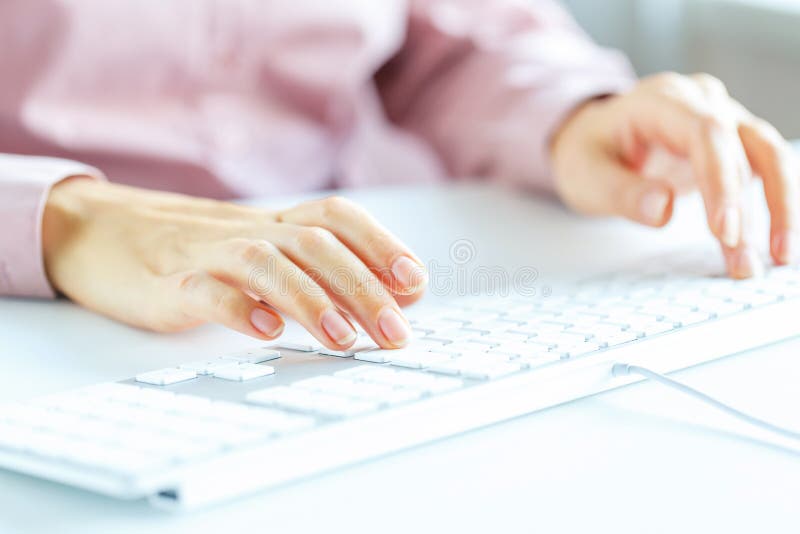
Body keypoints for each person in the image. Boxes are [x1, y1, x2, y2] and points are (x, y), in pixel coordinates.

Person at [1, 0, 797, 351]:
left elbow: (453, 41)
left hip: (348, 276)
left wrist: (575, 116)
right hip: (51, 309)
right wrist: (63, 219)